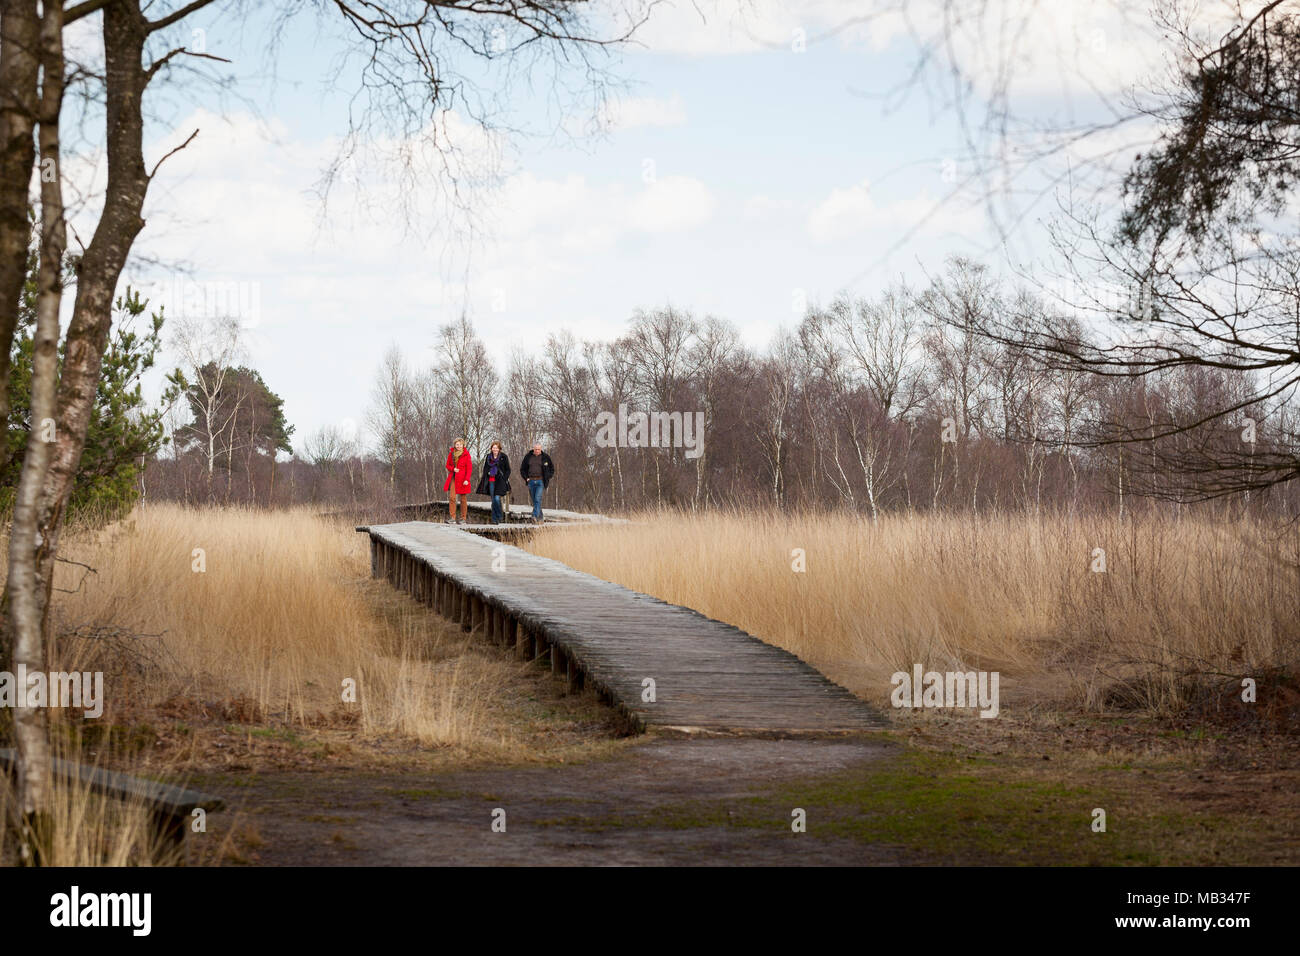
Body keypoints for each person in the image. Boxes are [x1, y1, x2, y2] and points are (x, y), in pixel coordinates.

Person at [474, 440, 512, 524]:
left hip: (500, 481)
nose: (495, 449)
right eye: (493, 448)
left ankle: (499, 516)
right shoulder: (488, 457)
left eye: (496, 448)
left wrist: (504, 478)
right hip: (491, 480)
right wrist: (487, 473)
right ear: (491, 449)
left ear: (499, 449)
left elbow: (508, 470)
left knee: (497, 498)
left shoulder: (503, 456)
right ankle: (494, 519)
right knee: (493, 500)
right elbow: (485, 468)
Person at [518, 440, 555, 524]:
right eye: (536, 449)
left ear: (541, 449)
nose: (537, 451)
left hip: (540, 481)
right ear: (533, 449)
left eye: (538, 449)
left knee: (537, 499)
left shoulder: (545, 457)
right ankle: (541, 518)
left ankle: (534, 516)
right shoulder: (528, 457)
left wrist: (547, 477)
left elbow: (552, 469)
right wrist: (526, 478)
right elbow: (522, 469)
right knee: (535, 501)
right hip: (531, 481)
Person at [444, 437, 473, 524]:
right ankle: (452, 517)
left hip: (463, 479)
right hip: (454, 477)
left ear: (463, 445)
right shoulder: (451, 454)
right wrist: (453, 469)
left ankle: (463, 518)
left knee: (463, 499)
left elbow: (469, 468)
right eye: (457, 444)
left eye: (460, 444)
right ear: (455, 445)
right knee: (452, 497)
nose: (458, 446)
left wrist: (467, 479)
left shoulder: (466, 454)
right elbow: (447, 465)